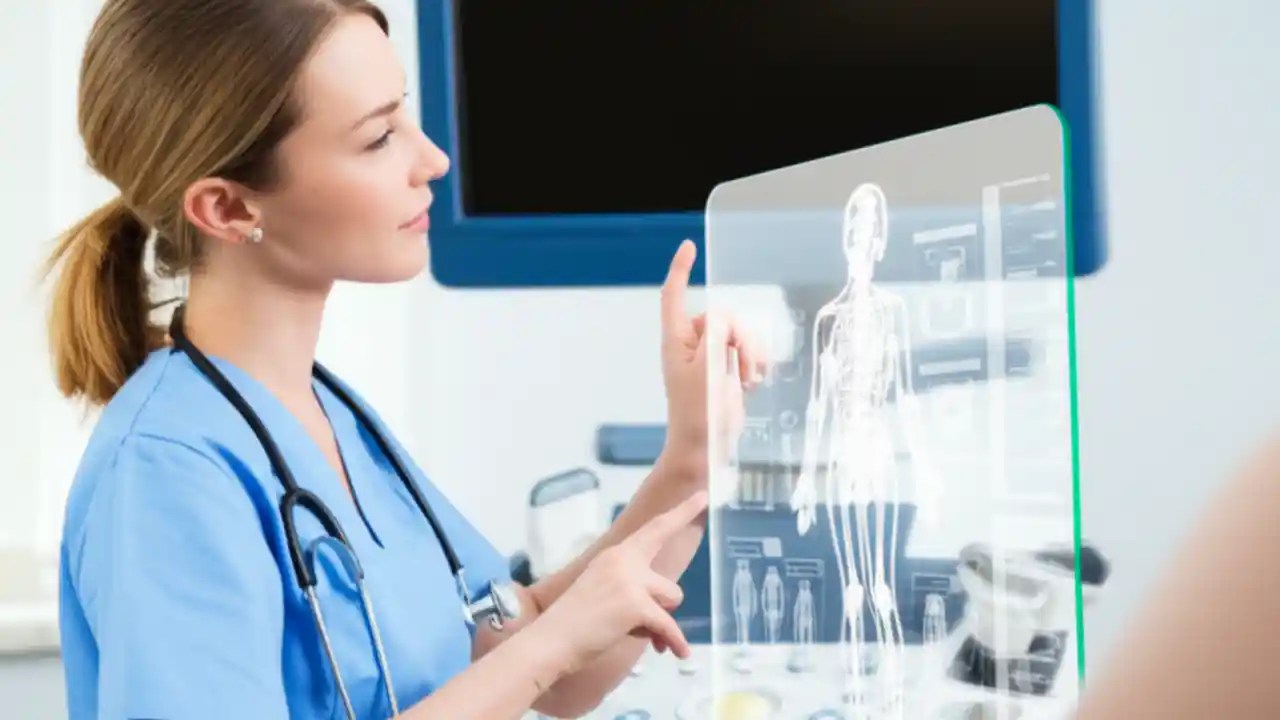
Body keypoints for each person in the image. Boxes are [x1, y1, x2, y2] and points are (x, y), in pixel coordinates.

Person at [42, 2, 766, 718]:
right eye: (379, 137)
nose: (433, 161)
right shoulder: (165, 473)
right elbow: (544, 655)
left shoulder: (333, 418)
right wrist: (551, 647)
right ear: (228, 209)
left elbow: (547, 663)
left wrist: (695, 455)